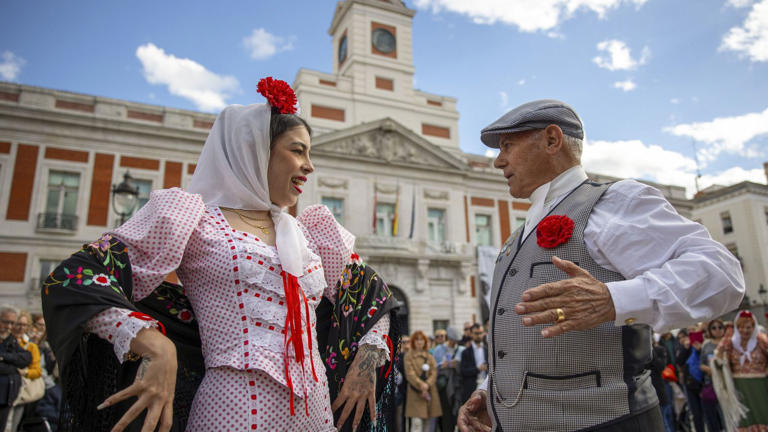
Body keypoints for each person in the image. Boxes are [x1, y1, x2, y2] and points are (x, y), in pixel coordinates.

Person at [41, 77, 398, 432]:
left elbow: (373, 297)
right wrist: (154, 344)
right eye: (297, 150)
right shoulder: (195, 220)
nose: (309, 165)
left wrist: (367, 360)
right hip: (235, 412)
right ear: (256, 151)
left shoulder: (309, 232)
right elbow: (75, 278)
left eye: (309, 153)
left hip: (317, 416)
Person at [458, 99, 745, 432]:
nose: (498, 161)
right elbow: (525, 339)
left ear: (552, 140)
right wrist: (492, 392)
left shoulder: (613, 203)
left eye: (507, 145)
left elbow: (722, 273)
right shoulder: (519, 236)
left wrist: (614, 300)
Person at [716, 310, 768, 431]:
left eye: (748, 327)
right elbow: (719, 361)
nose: (745, 330)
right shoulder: (731, 343)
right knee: (745, 418)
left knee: (763, 413)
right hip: (739, 386)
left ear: (753, 327)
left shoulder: (761, 340)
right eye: (741, 327)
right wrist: (721, 353)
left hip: (760, 386)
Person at [6, 311, 44, 432]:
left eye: (24, 325)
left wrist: (24, 372)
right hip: (4, 388)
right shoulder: (5, 341)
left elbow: (37, 371)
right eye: (18, 324)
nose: (20, 327)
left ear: (28, 327)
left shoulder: (30, 346)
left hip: (20, 392)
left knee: (13, 426)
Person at [0, 307, 31, 430]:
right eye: (5, 322)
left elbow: (26, 358)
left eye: (12, 323)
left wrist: (4, 357)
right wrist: (14, 368)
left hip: (6, 397)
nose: (9, 326)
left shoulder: (10, 340)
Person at [404, 331, 442, 432]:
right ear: (413, 341)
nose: (419, 342)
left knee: (428, 424)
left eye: (421, 339)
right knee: (416, 424)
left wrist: (427, 384)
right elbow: (410, 374)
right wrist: (421, 385)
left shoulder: (429, 356)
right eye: (417, 339)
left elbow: (434, 372)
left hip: (430, 392)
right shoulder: (408, 356)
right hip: (415, 393)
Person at [433, 327, 460, 431]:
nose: (454, 342)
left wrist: (457, 364)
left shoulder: (461, 349)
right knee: (446, 413)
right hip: (443, 385)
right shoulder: (438, 349)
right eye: (452, 340)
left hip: (457, 386)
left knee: (457, 410)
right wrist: (442, 365)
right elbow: (433, 367)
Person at [459, 324, 487, 405]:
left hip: (487, 386)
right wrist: (477, 369)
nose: (479, 335)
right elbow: (463, 371)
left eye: (480, 333)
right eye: (476, 333)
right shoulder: (465, 352)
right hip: (472, 388)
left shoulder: (488, 350)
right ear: (471, 334)